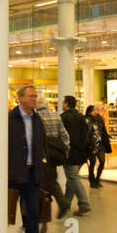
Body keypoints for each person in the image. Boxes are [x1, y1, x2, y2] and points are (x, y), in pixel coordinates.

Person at [8, 85, 48, 233]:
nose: (34, 99)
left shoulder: (37, 120)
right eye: (31, 96)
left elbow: (43, 144)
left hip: (32, 177)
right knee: (1, 218)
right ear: (20, 99)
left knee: (33, 218)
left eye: (35, 96)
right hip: (12, 176)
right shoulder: (9, 119)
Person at [35, 94, 70, 226]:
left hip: (43, 154)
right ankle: (60, 204)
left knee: (45, 182)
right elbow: (64, 135)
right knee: (51, 178)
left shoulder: (36, 118)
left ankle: (61, 204)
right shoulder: (56, 115)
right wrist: (66, 150)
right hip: (55, 153)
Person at [58, 95, 92, 217]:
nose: (62, 104)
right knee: (71, 179)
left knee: (73, 178)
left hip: (70, 153)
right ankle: (65, 203)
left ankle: (84, 204)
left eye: (63, 102)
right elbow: (86, 136)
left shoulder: (64, 118)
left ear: (66, 104)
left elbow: (62, 137)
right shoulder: (81, 117)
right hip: (81, 153)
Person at [86, 105, 110, 187]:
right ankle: (92, 181)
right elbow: (87, 133)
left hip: (100, 143)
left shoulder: (99, 119)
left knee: (102, 162)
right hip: (91, 144)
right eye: (94, 110)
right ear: (90, 111)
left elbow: (103, 130)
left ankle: (97, 179)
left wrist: (106, 137)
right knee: (92, 163)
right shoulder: (87, 119)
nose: (96, 111)